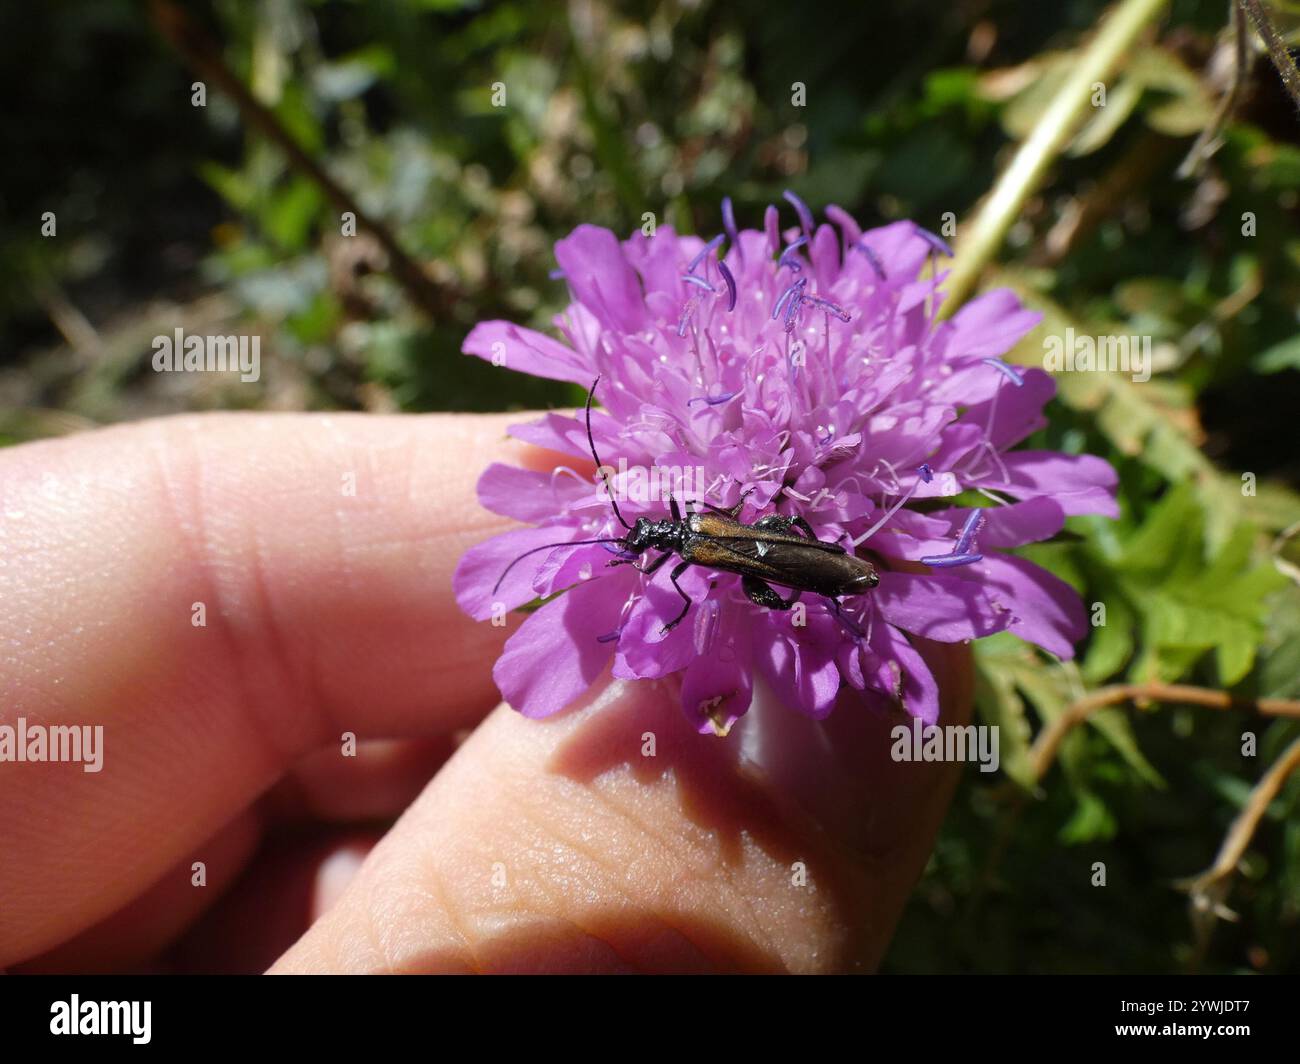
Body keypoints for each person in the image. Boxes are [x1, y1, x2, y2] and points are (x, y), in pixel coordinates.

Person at [0, 411, 970, 974]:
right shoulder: (702, 527)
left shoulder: (695, 537)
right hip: (819, 565)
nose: (645, 549)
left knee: (779, 587)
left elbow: (718, 552)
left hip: (825, 566)